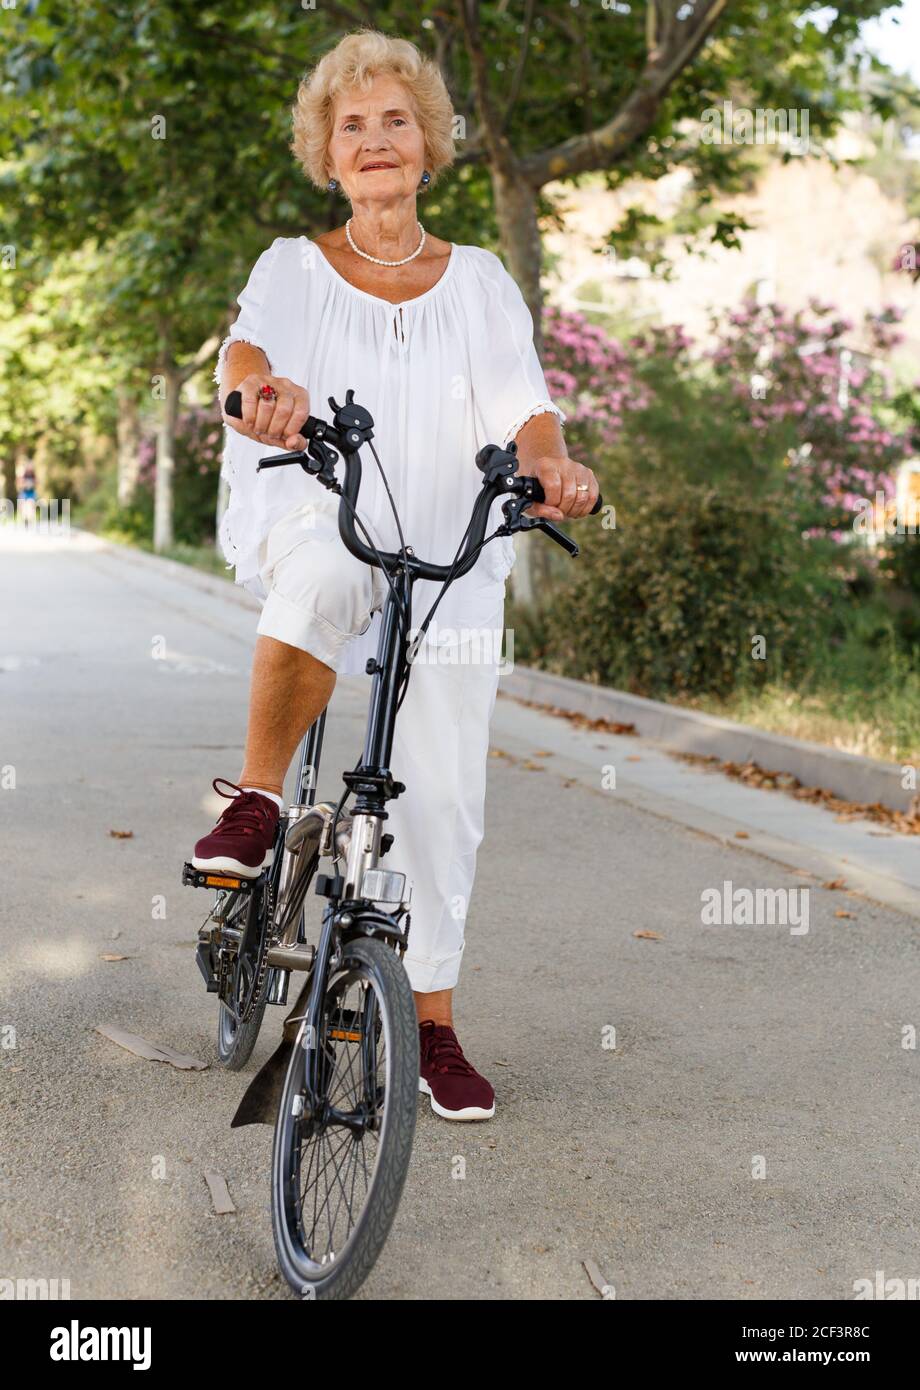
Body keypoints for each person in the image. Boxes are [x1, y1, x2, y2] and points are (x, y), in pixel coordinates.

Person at [191, 30, 598, 1122]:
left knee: (443, 782)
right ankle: (262, 800)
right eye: (351, 125)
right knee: (323, 569)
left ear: (429, 148)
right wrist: (261, 391)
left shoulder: (477, 280)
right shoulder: (290, 265)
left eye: (396, 121)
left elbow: (524, 404)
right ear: (326, 156)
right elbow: (243, 357)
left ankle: (430, 1023)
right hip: (319, 498)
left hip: (448, 532)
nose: (374, 141)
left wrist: (550, 465)